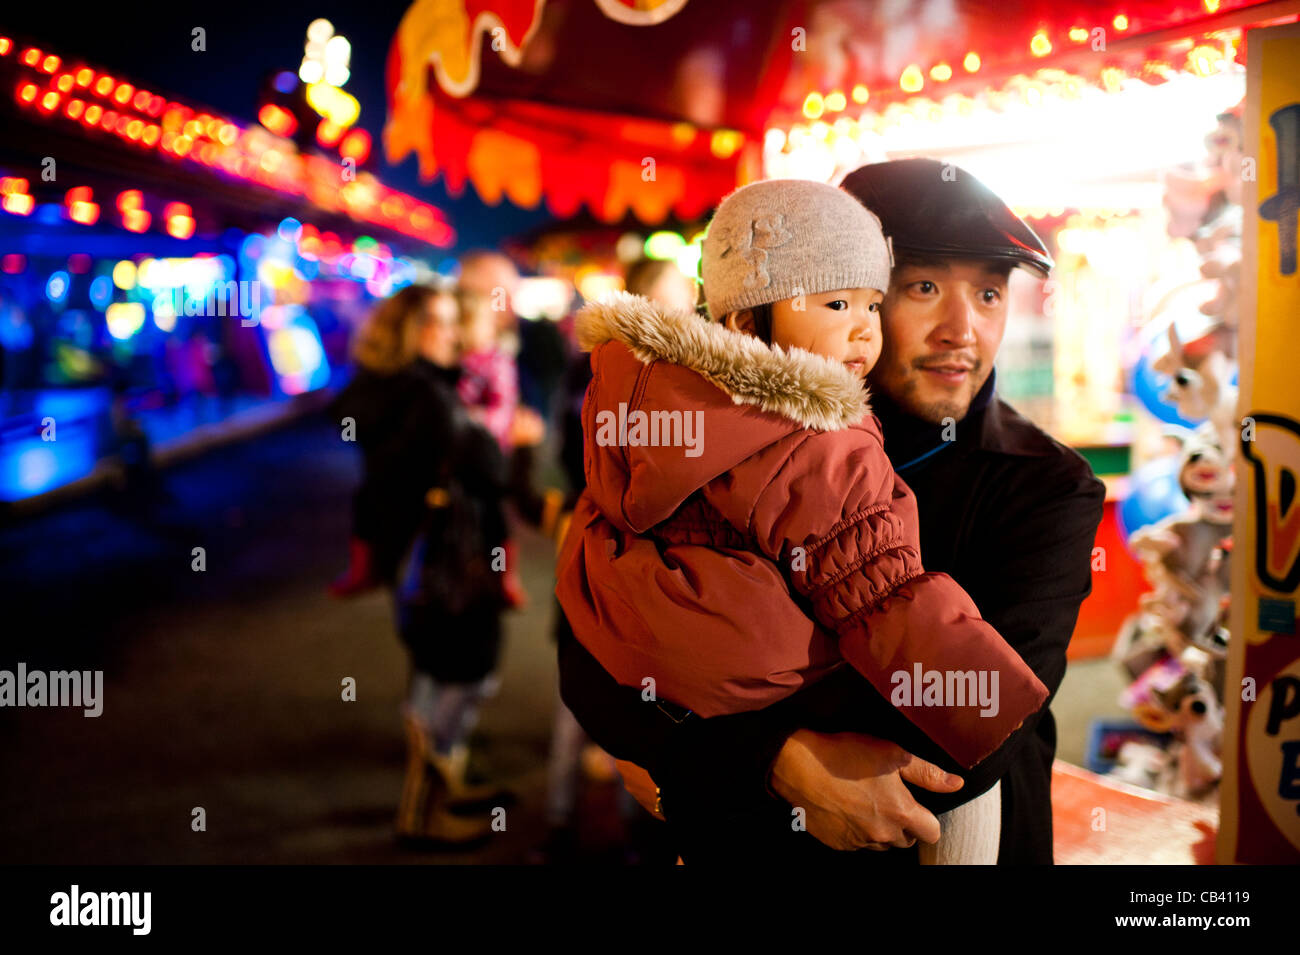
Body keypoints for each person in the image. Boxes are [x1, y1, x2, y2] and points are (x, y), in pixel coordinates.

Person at [557, 159, 1106, 864]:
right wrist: (775, 759)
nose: (962, 329)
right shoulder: (708, 443)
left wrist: (697, 761)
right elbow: (589, 644)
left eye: (992, 293)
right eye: (925, 287)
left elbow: (959, 739)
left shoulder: (1046, 487)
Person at [334, 284, 510, 844]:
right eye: (436, 321)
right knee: (467, 667)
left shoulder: (389, 391)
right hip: (445, 556)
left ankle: (442, 787)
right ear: (409, 329)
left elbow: (377, 486)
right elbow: (486, 468)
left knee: (436, 669)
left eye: (454, 320)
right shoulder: (425, 396)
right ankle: (423, 810)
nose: (451, 332)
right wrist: (494, 435)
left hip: (415, 555)